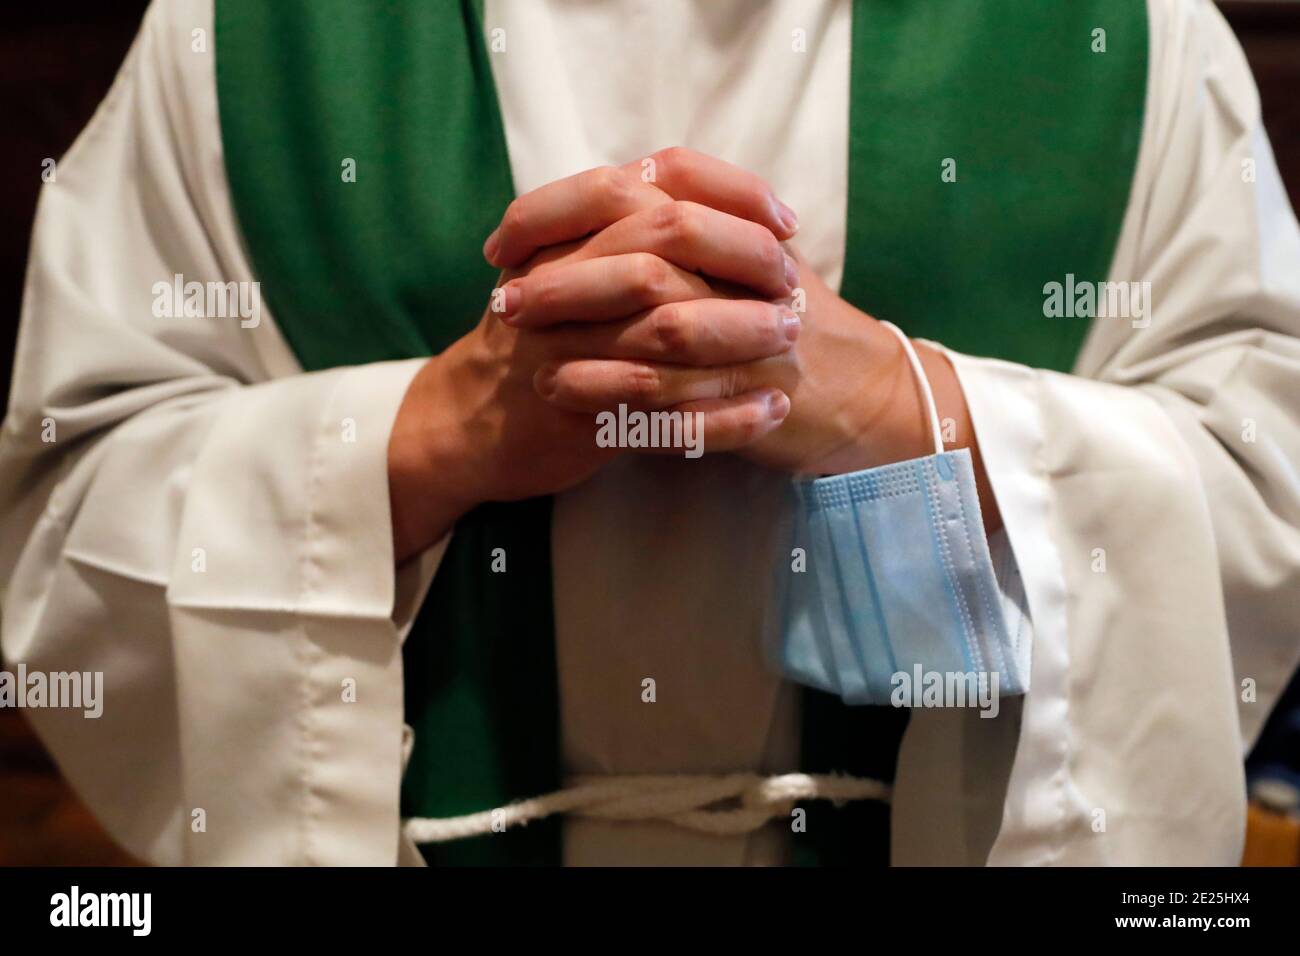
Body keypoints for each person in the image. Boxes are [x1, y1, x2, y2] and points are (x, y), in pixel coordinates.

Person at [2, 0, 1298, 866]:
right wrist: (432, 432)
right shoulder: (240, 34)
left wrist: (909, 413)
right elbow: (69, 508)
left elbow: (1262, 481)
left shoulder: (1123, 30)